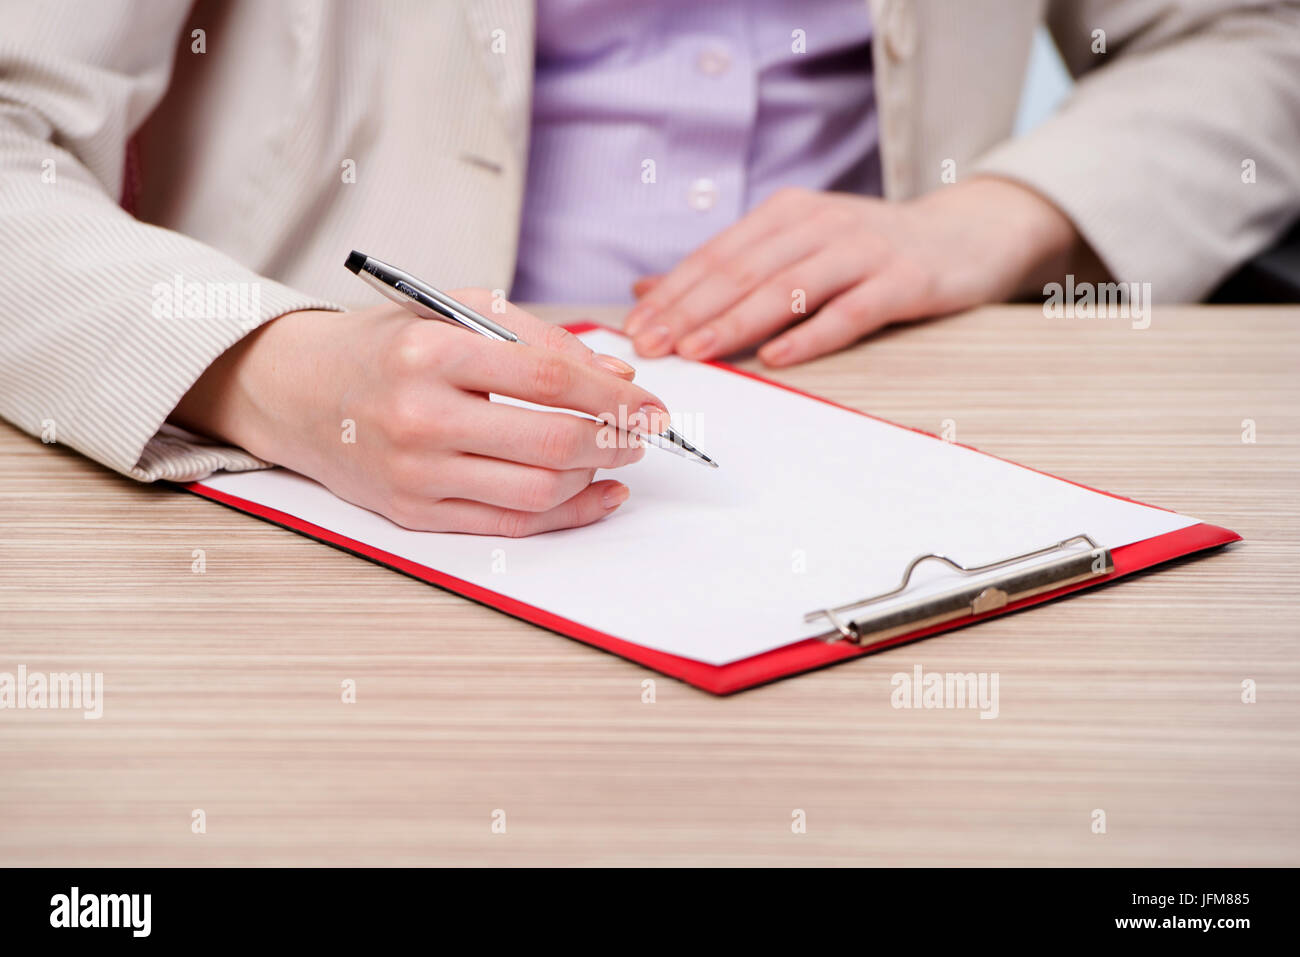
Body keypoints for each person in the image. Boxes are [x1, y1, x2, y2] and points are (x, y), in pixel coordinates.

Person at [2, 0, 1297, 536]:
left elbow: (1245, 35)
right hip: (319, 467)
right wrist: (260, 367)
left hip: (900, 414)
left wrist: (1004, 211)